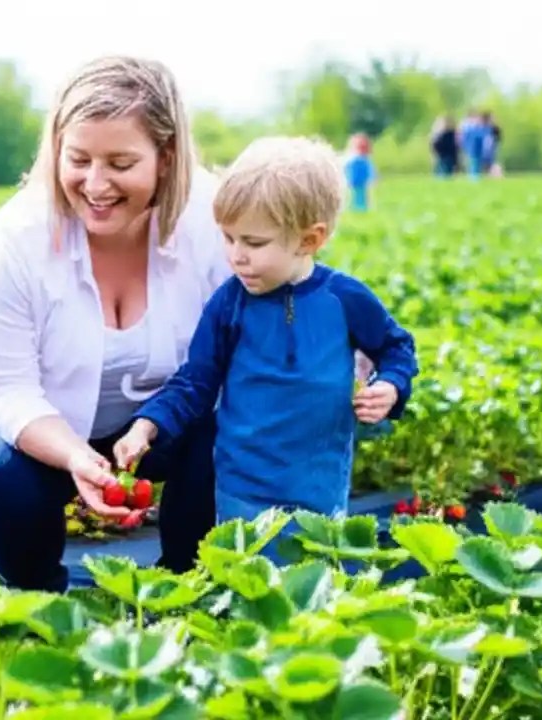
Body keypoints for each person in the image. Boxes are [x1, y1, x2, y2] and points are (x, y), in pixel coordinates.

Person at [0, 54, 233, 592]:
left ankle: (188, 587)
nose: (96, 183)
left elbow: (250, 344)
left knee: (227, 439)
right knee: (1, 474)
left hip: (167, 423)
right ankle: (39, 599)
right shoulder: (20, 233)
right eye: (78, 159)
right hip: (41, 418)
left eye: (121, 164)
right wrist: (76, 456)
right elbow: (9, 389)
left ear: (167, 156)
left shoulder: (212, 218)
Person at [112, 136, 419, 559]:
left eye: (254, 243)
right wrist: (147, 425)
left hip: (320, 485)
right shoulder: (229, 304)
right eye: (229, 238)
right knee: (250, 588)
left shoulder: (345, 300)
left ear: (310, 239)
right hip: (240, 488)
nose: (236, 256)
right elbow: (195, 383)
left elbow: (396, 348)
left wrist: (391, 385)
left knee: (315, 588)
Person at [343, 133, 375, 212]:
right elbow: (345, 169)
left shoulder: (365, 160)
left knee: (362, 196)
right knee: (352, 196)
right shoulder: (351, 159)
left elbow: (370, 170)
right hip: (352, 182)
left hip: (362, 183)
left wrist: (372, 178)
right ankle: (354, 208)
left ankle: (361, 208)